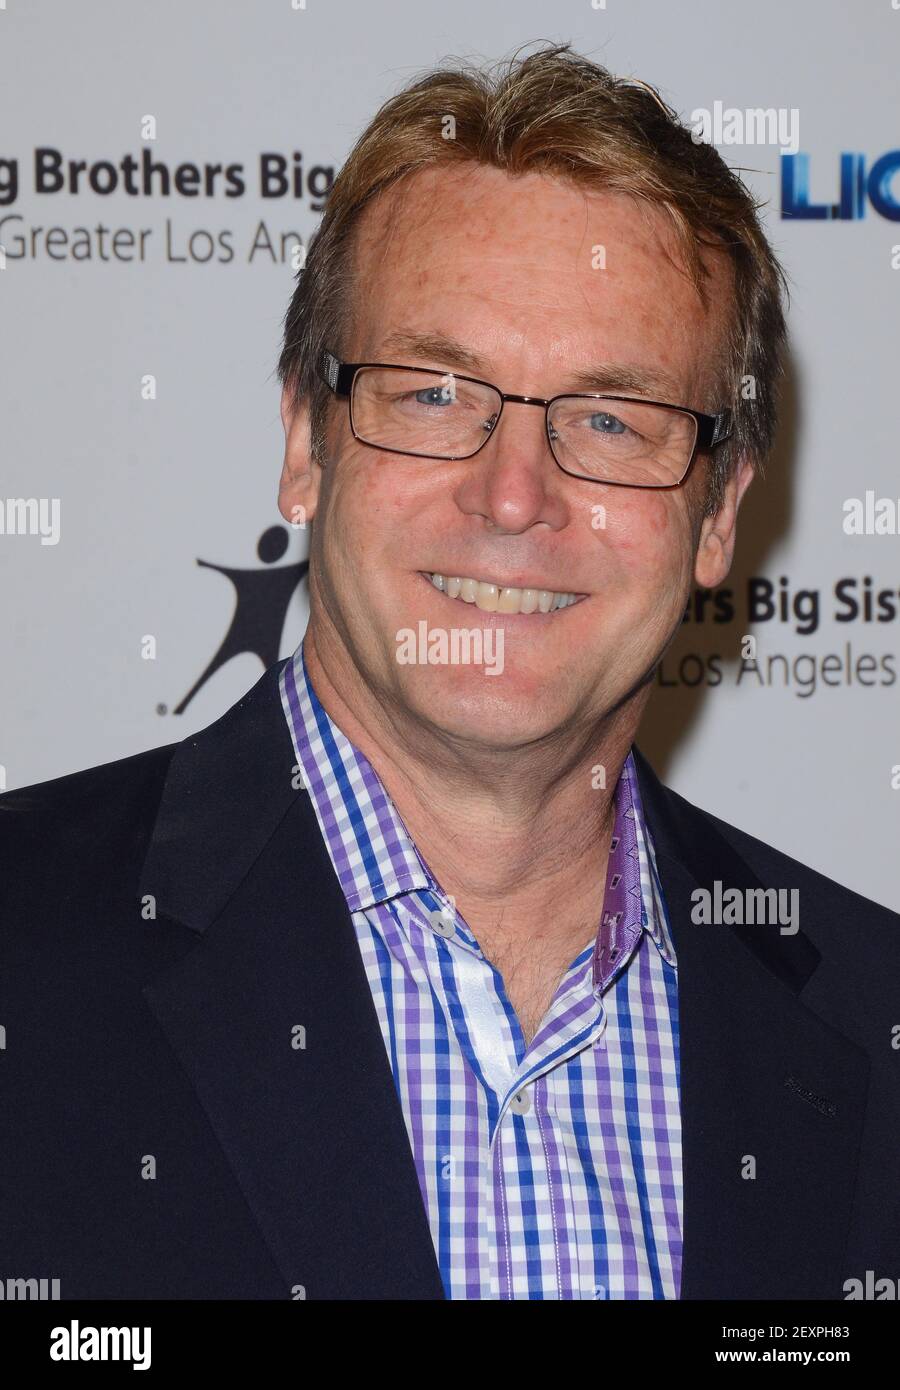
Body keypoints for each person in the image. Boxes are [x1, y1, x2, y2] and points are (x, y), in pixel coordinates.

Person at [3, 42, 898, 1302]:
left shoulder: (873, 1015)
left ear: (716, 517)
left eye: (609, 418)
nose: (514, 493)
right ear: (306, 445)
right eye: (432, 392)